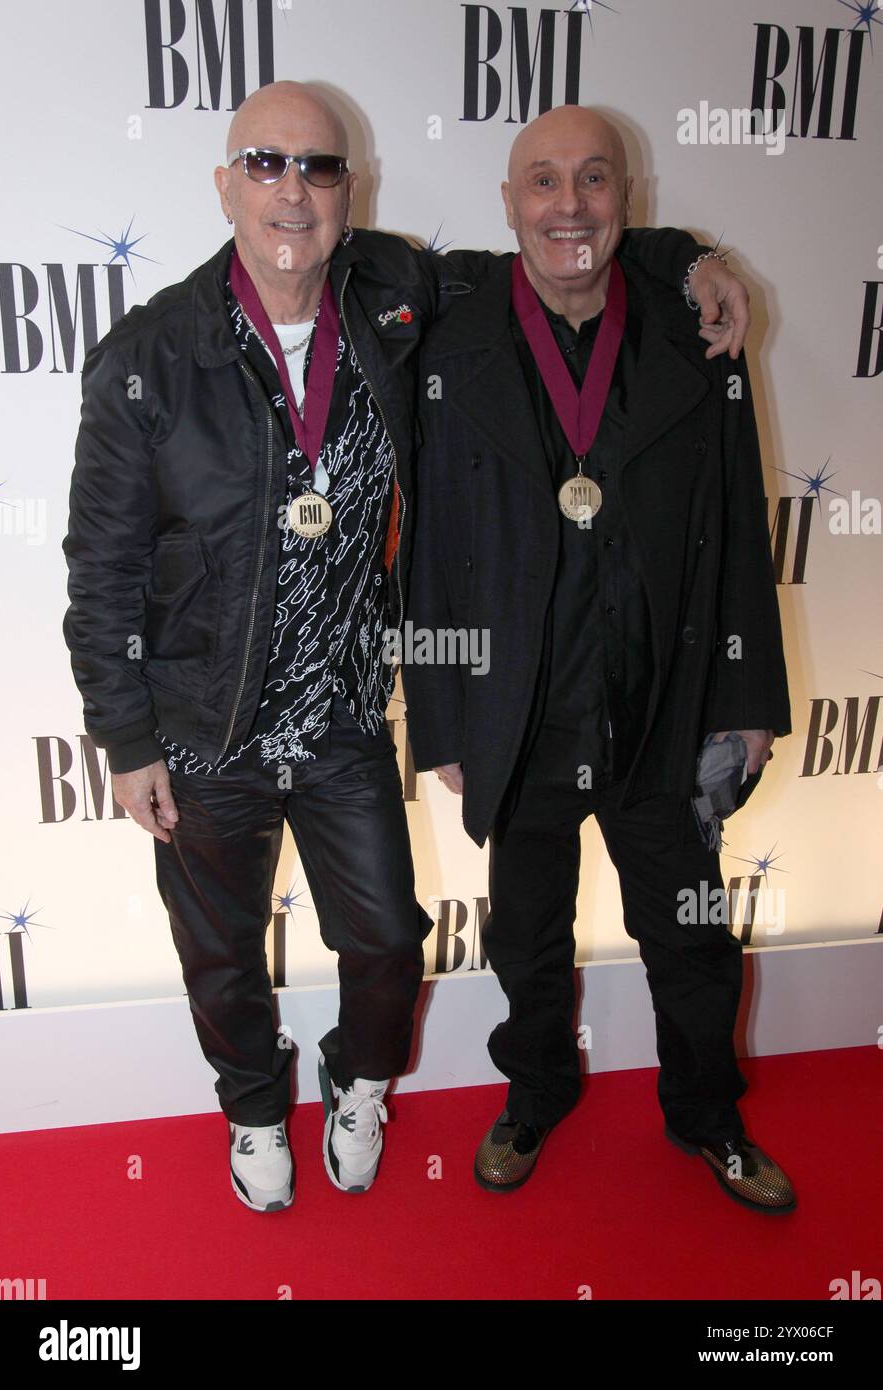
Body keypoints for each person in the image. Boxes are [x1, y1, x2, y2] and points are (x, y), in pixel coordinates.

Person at [62, 81, 750, 1213]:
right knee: (223, 951)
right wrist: (125, 733)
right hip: (202, 725)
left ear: (350, 191)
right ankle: (248, 1107)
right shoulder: (151, 353)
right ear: (226, 182)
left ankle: (358, 1082)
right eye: (268, 164)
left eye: (321, 168)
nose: (295, 189)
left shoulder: (397, 294)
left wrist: (692, 259)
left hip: (339, 719)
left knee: (387, 941)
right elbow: (101, 568)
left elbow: (565, 248)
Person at [403, 106, 795, 1213]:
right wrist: (443, 721)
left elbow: (736, 528)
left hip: (660, 703)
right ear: (509, 204)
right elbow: (427, 549)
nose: (567, 206)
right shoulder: (455, 332)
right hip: (520, 707)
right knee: (525, 935)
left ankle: (709, 1116)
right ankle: (534, 1096)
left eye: (591, 181)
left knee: (695, 940)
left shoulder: (693, 335)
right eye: (542, 183)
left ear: (627, 197)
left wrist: (746, 694)